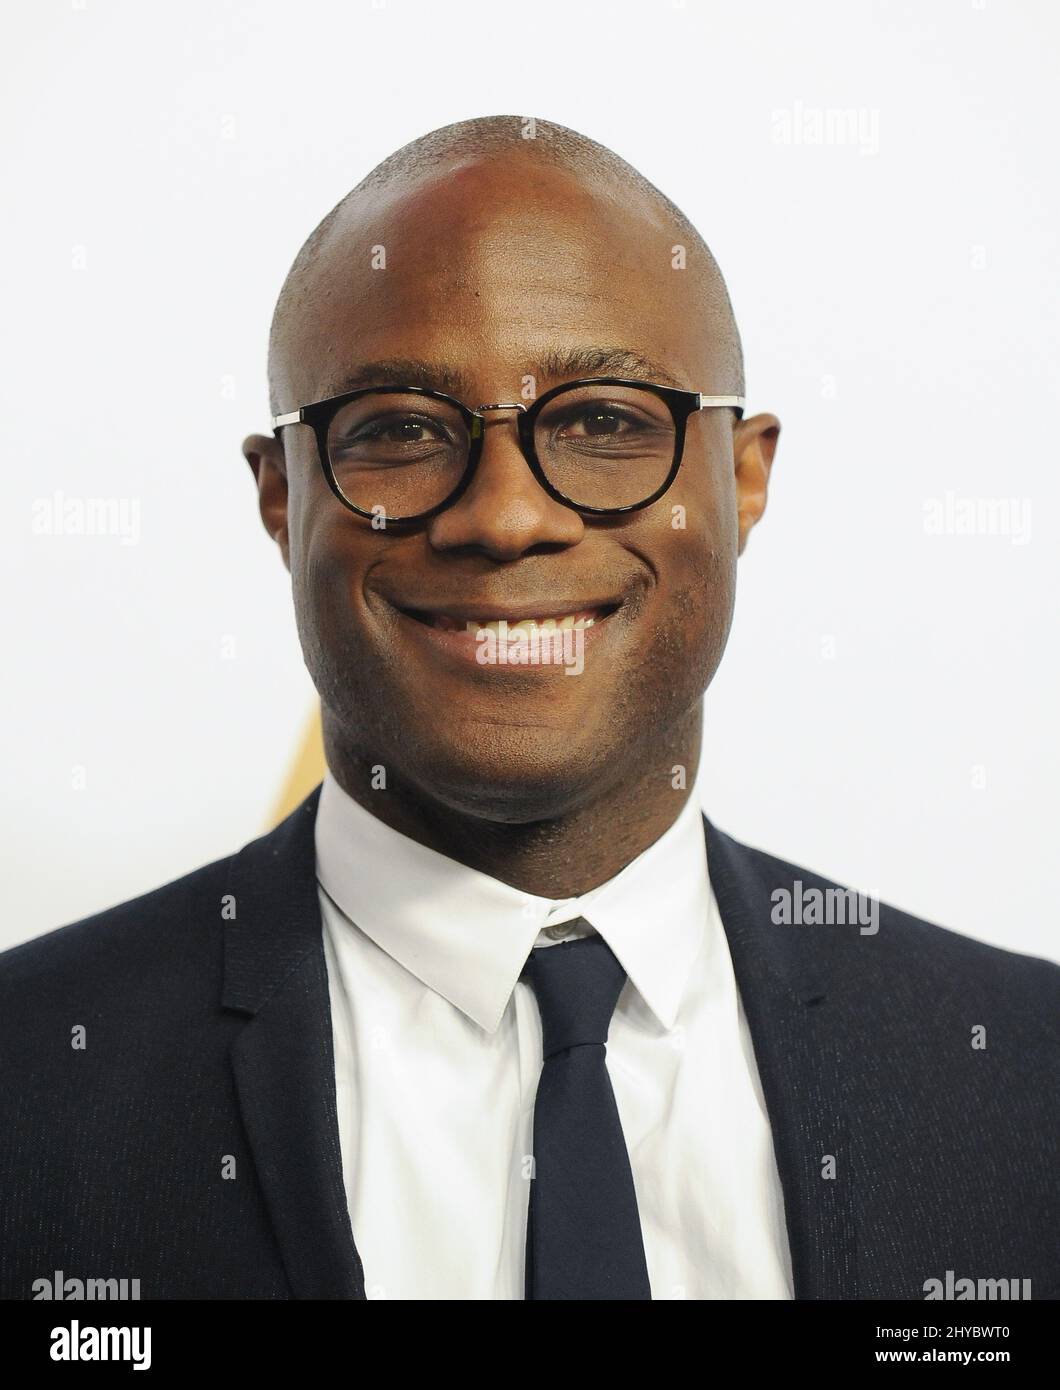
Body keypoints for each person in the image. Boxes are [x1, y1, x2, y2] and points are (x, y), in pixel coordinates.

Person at [1, 116, 1056, 1302]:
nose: (504, 517)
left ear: (743, 475)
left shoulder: (1025, 1068)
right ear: (281, 495)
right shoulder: (29, 1076)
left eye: (604, 422)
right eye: (400, 428)